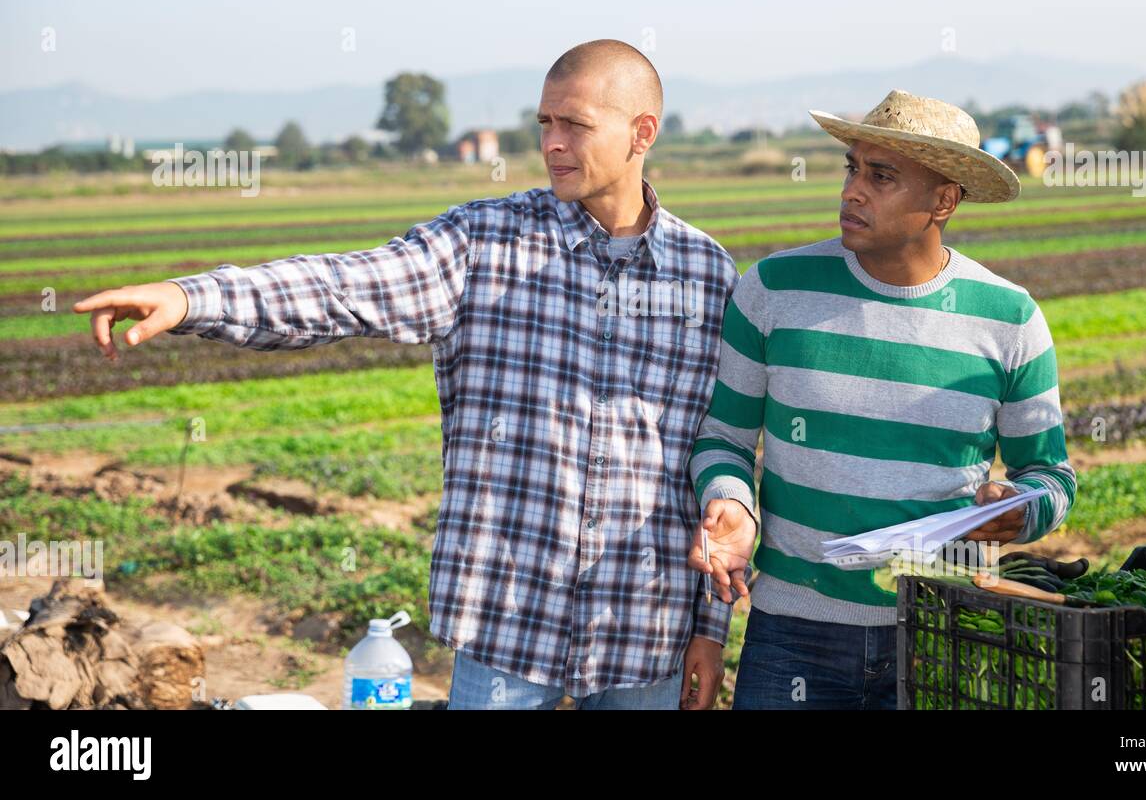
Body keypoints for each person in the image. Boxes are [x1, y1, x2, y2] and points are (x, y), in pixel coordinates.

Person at [74, 40, 741, 710]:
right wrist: (195, 298)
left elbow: (718, 455)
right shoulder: (484, 243)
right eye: (544, 123)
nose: (552, 144)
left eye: (575, 125)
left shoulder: (707, 275)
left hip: (646, 631)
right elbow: (346, 286)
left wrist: (711, 630)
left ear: (641, 133)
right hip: (509, 629)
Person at [687, 90, 1077, 710]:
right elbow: (723, 441)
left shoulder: (1010, 318)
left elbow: (1050, 477)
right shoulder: (773, 291)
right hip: (792, 635)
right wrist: (730, 500)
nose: (852, 191)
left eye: (882, 176)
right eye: (852, 168)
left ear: (944, 199)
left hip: (941, 629)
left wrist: (1020, 509)